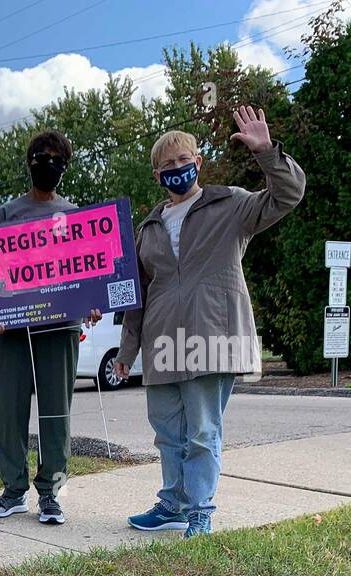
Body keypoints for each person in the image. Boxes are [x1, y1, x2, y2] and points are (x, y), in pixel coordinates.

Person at [116, 107, 305, 537]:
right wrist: (126, 354)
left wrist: (267, 153)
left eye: (183, 161)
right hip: (162, 340)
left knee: (202, 430)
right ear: (157, 175)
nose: (176, 169)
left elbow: (287, 196)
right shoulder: (147, 229)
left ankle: (200, 509)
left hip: (212, 335)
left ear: (198, 163)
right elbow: (135, 297)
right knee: (166, 430)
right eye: (166, 165)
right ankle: (173, 504)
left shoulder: (230, 205)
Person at [0, 130, 101, 526]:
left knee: (55, 413)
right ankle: (13, 491)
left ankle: (50, 492)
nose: (47, 163)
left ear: (64, 167)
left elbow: (86, 272)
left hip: (60, 328)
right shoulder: (7, 214)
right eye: (40, 156)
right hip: (12, 331)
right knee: (10, 412)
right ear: (29, 162)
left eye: (55, 158)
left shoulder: (76, 216)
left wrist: (91, 304)